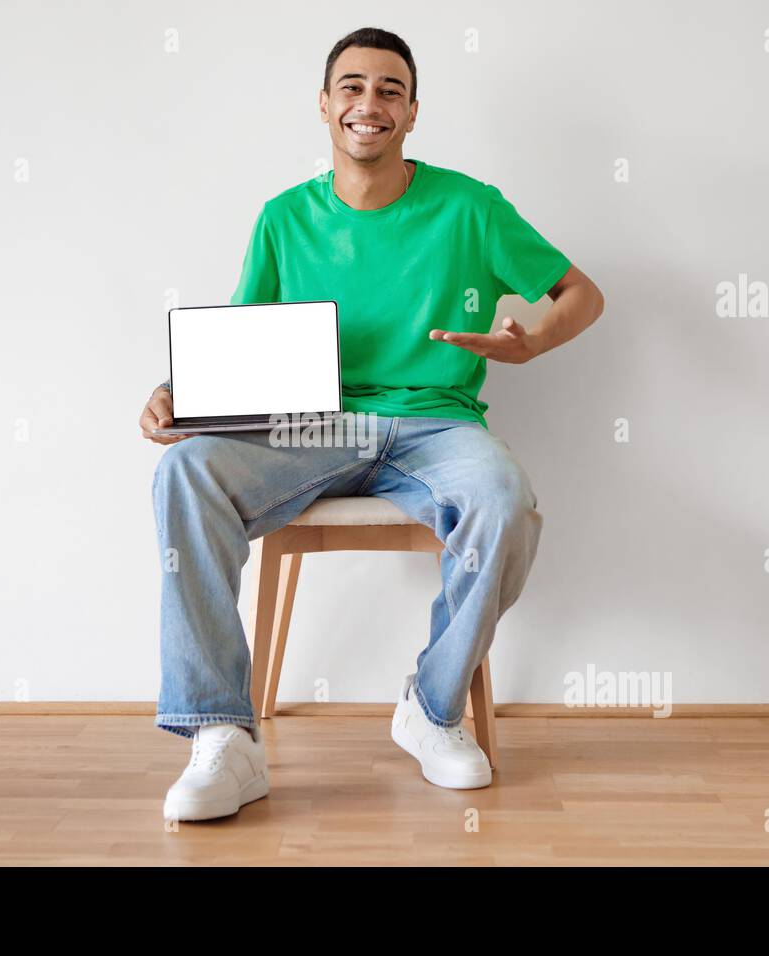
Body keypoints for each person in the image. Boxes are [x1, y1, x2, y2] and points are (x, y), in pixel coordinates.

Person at [139, 27, 604, 821]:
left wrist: (530, 345)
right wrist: (176, 392)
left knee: (504, 498)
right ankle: (222, 735)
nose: (369, 103)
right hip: (306, 428)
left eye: (390, 89)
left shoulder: (470, 207)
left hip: (434, 425)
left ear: (413, 112)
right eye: (352, 87)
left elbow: (579, 296)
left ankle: (430, 707)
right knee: (184, 471)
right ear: (325, 106)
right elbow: (242, 345)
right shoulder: (284, 217)